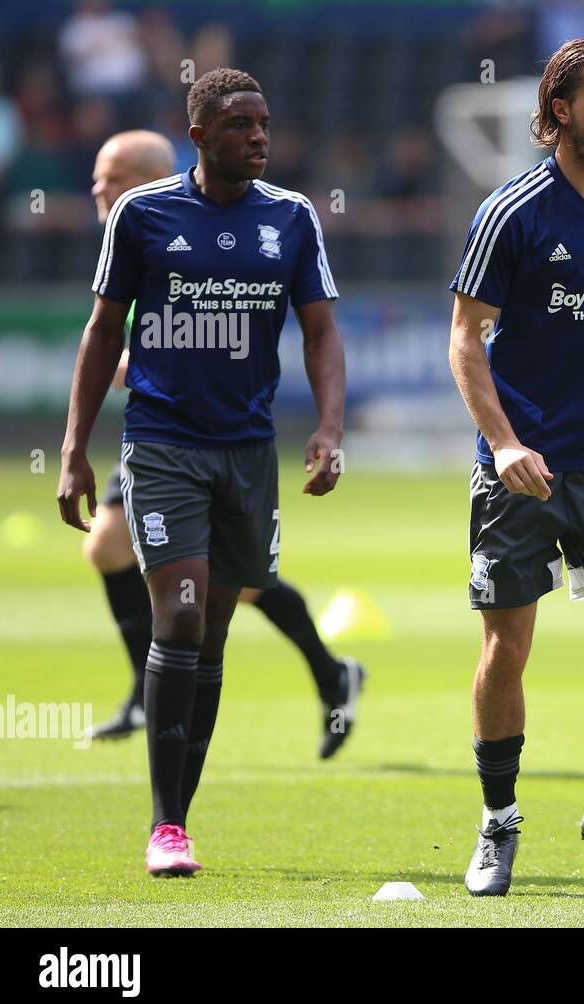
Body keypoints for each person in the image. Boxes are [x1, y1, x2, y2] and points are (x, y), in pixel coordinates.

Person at [58, 68, 347, 876]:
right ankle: (165, 826)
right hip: (161, 447)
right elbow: (101, 332)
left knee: (213, 633)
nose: (257, 136)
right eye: (239, 124)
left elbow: (321, 331)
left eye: (264, 123)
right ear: (199, 135)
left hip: (248, 452)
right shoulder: (145, 215)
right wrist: (76, 447)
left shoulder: (290, 218)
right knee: (179, 617)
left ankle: (181, 812)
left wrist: (328, 426)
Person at [447, 38, 584, 895]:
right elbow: (465, 340)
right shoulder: (511, 213)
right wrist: (504, 442)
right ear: (558, 111)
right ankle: (497, 823)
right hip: (523, 466)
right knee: (508, 647)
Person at [83, 129, 364, 760]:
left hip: (221, 435)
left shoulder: (193, 222)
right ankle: (154, 685)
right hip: (161, 434)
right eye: (98, 176)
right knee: (122, 551)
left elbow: (295, 329)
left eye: (114, 175)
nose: (99, 188)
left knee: (218, 584)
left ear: (154, 175)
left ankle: (328, 672)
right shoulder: (132, 228)